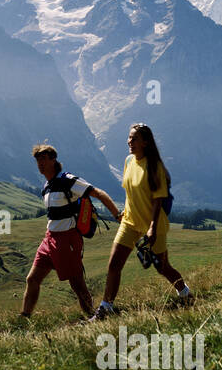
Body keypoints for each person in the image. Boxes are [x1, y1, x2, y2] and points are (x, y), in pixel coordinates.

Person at [91, 124, 189, 321]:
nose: (130, 142)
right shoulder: (128, 161)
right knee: (114, 264)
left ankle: (185, 293)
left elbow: (158, 199)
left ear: (145, 142)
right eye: (129, 138)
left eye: (134, 139)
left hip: (152, 225)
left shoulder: (155, 166)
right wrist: (122, 214)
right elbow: (130, 192)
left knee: (162, 267)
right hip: (129, 222)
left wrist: (152, 227)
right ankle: (105, 307)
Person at [22, 144, 121, 319]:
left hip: (67, 239)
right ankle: (24, 318)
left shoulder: (68, 180)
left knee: (77, 283)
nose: (40, 164)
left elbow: (98, 193)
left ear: (53, 160)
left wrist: (117, 214)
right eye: (38, 160)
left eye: (44, 159)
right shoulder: (47, 185)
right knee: (32, 279)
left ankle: (94, 317)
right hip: (49, 238)